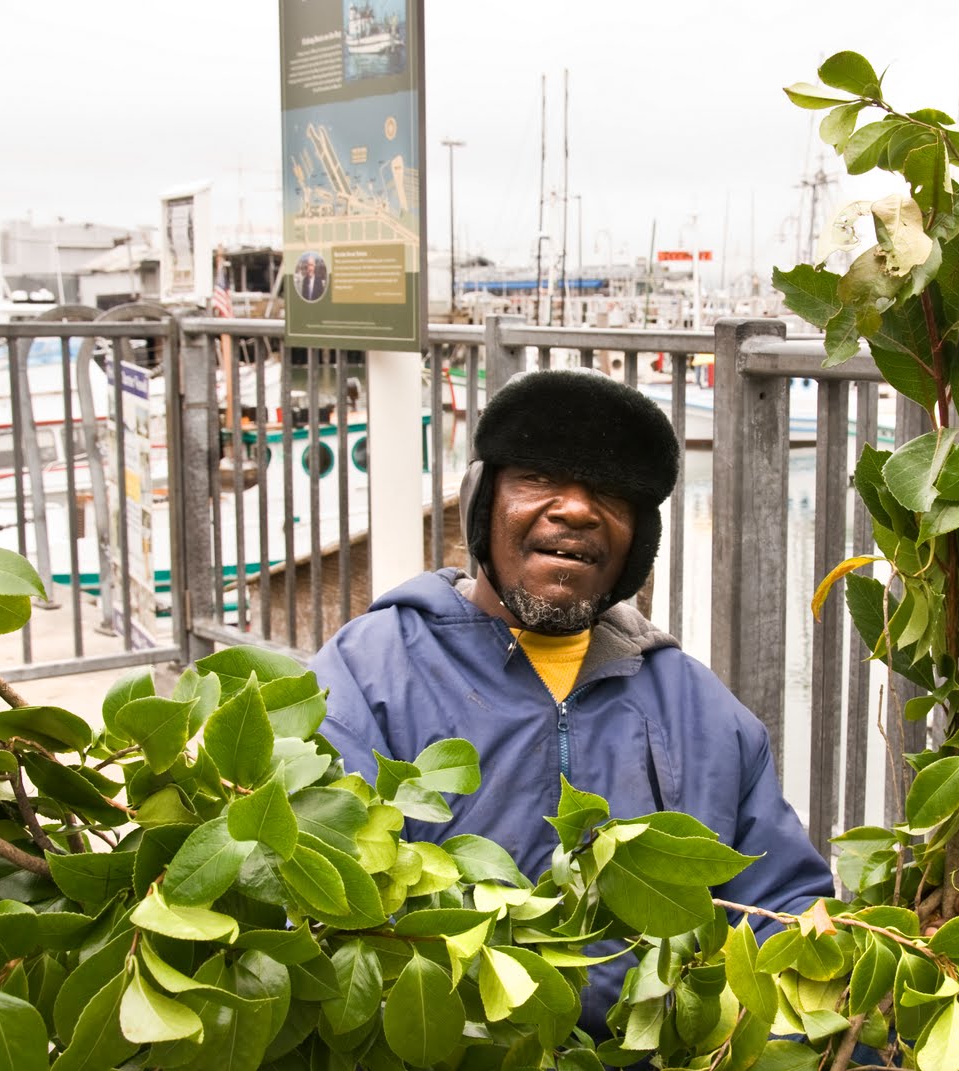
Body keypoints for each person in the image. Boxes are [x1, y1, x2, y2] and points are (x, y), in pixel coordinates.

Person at [307, 368, 834, 1033]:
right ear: (482, 502)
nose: (577, 509)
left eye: (610, 492)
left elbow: (780, 908)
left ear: (636, 540)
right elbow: (319, 908)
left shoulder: (702, 715)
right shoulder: (367, 677)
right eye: (539, 477)